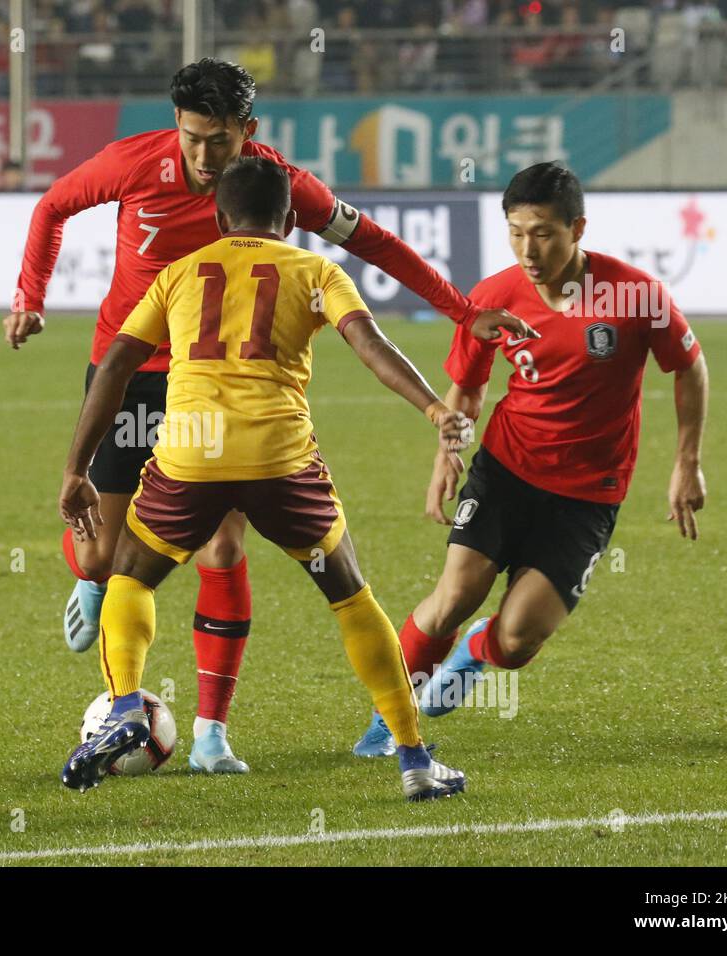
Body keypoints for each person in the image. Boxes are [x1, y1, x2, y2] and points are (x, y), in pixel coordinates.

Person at [4, 58, 534, 774]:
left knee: (224, 547)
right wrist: (29, 295)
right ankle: (92, 579)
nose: (202, 156)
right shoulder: (132, 163)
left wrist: (465, 311)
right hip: (130, 375)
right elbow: (51, 208)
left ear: (246, 133)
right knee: (102, 552)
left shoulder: (277, 183)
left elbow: (372, 240)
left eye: (218, 141)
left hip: (218, 393)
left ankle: (209, 733)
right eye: (191, 138)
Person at [57, 157, 476, 800]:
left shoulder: (178, 273)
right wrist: (435, 409)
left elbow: (115, 363)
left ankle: (121, 712)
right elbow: (371, 345)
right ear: (288, 220)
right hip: (280, 459)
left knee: (129, 578)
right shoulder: (314, 269)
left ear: (220, 218)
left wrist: (77, 467)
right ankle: (414, 758)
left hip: (191, 454)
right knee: (352, 597)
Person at [352, 162, 709, 757]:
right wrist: (448, 451)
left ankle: (476, 652)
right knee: (450, 599)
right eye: (516, 232)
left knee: (516, 642)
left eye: (542, 232)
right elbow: (467, 385)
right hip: (506, 469)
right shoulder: (493, 296)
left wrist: (686, 461)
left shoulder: (635, 295)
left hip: (588, 494)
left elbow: (689, 367)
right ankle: (391, 719)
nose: (528, 248)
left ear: (578, 228)